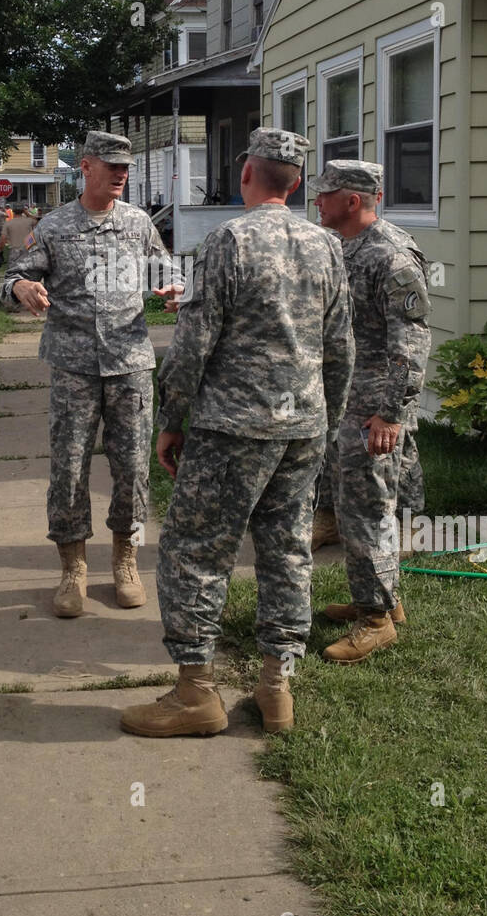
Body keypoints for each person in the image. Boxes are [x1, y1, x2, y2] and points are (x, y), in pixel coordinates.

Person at [120, 128, 355, 738]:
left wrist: (171, 421)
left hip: (233, 428)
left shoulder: (227, 240)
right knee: (286, 552)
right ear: (298, 182)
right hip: (302, 427)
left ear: (247, 171)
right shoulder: (326, 246)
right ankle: (276, 690)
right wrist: (325, 417)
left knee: (196, 552)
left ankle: (196, 693)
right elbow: (341, 347)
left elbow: (194, 343)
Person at [0, 130, 184, 616]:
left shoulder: (138, 223)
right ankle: (73, 567)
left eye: (126, 167)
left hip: (129, 364)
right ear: (86, 167)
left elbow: (163, 269)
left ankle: (125, 559)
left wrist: (171, 287)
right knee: (69, 466)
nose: (122, 174)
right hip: (73, 367)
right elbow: (12, 276)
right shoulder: (55, 226)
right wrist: (20, 289)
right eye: (112, 166)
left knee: (131, 469)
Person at [310, 160, 431, 662]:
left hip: (372, 412)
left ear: (353, 200)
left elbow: (413, 341)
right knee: (354, 508)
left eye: (325, 194)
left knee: (367, 514)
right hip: (346, 403)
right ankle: (384, 600)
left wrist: (390, 414)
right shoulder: (343, 247)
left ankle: (376, 620)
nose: (317, 201)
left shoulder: (391, 255)